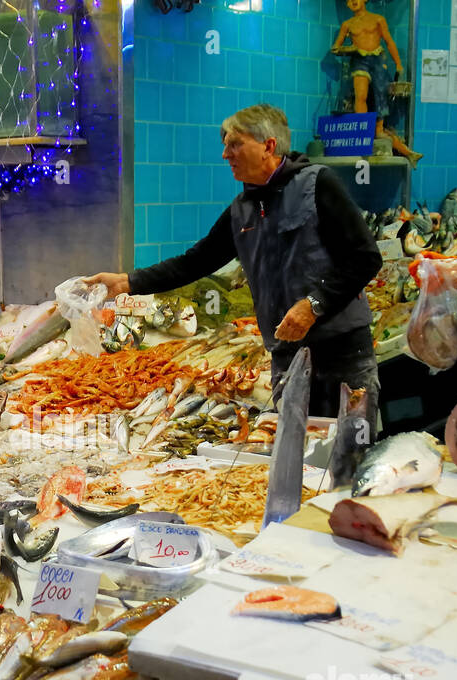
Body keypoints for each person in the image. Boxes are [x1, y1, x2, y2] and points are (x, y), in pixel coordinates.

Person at [87, 103, 383, 421]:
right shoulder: (242, 210)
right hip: (287, 356)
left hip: (342, 352)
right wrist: (127, 282)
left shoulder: (318, 185)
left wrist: (313, 305)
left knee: (349, 455)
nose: (225, 155)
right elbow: (196, 261)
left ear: (268, 145)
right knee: (294, 459)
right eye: (225, 146)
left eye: (235, 144)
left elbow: (365, 258)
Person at [331, 0, 421, 165]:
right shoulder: (347, 24)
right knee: (361, 95)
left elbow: (389, 41)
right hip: (359, 61)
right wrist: (350, 49)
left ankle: (379, 129)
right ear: (347, 5)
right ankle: (362, 128)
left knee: (381, 94)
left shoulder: (378, 19)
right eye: (349, 1)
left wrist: (399, 63)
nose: (353, 2)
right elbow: (335, 48)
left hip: (377, 58)